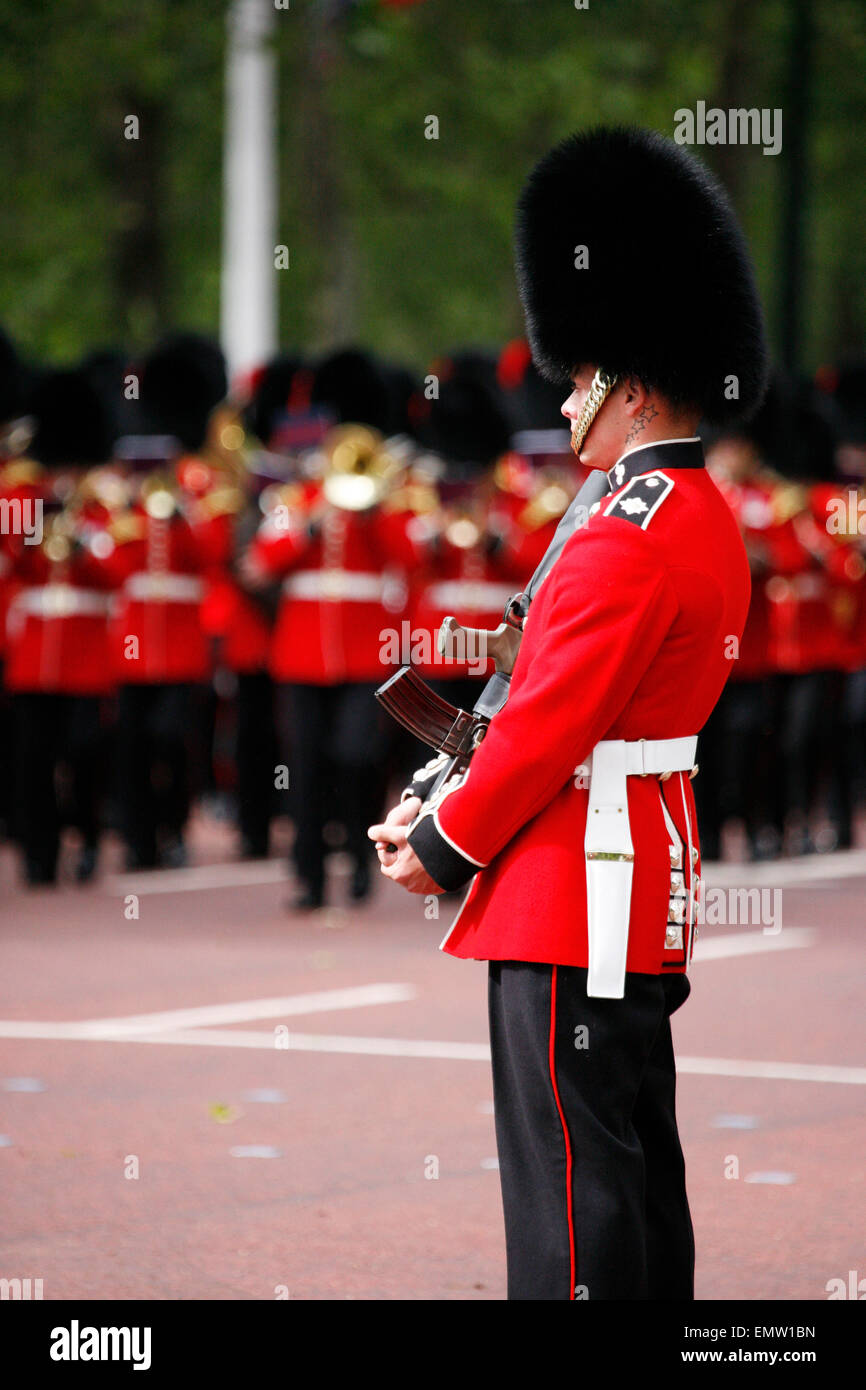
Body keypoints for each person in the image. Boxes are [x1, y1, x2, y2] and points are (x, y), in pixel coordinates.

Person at [369, 125, 768, 1300]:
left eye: (576, 378)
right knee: (631, 1158)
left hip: (568, 885)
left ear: (626, 382)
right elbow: (540, 700)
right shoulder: (688, 516)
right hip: (637, 869)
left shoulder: (621, 534)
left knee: (567, 1183)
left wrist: (440, 843)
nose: (562, 398)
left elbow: (545, 724)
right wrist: (434, 781)